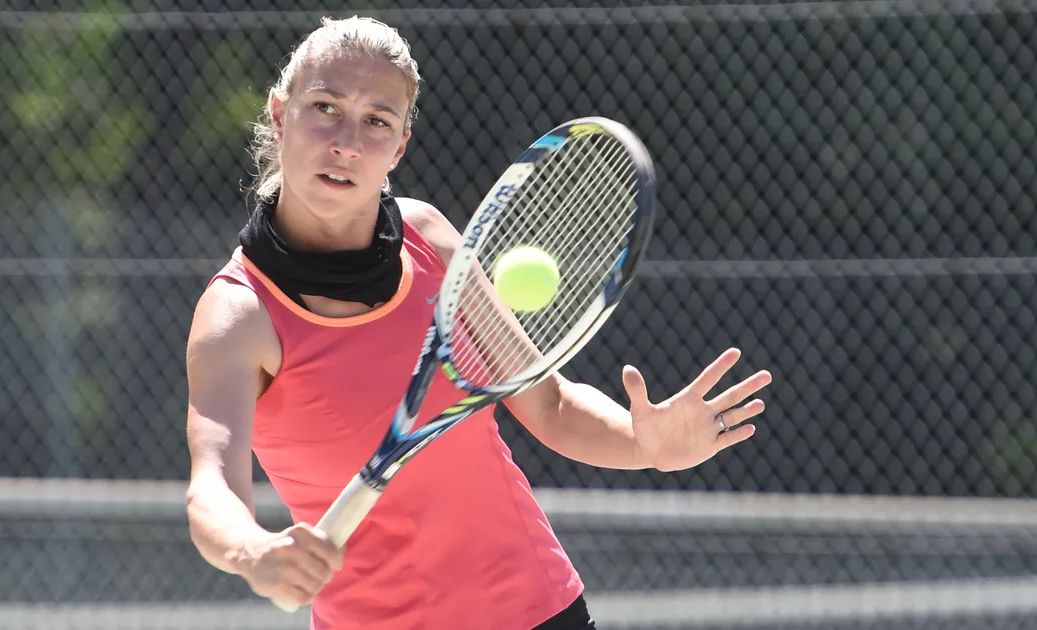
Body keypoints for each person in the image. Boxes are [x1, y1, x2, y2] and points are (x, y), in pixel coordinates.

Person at [184, 16, 772, 630]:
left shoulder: (430, 240)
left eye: (377, 121)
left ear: (400, 145)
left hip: (542, 612)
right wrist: (254, 552)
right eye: (325, 107)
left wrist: (642, 444)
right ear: (281, 116)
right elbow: (211, 491)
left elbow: (550, 407)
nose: (347, 142)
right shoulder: (238, 314)